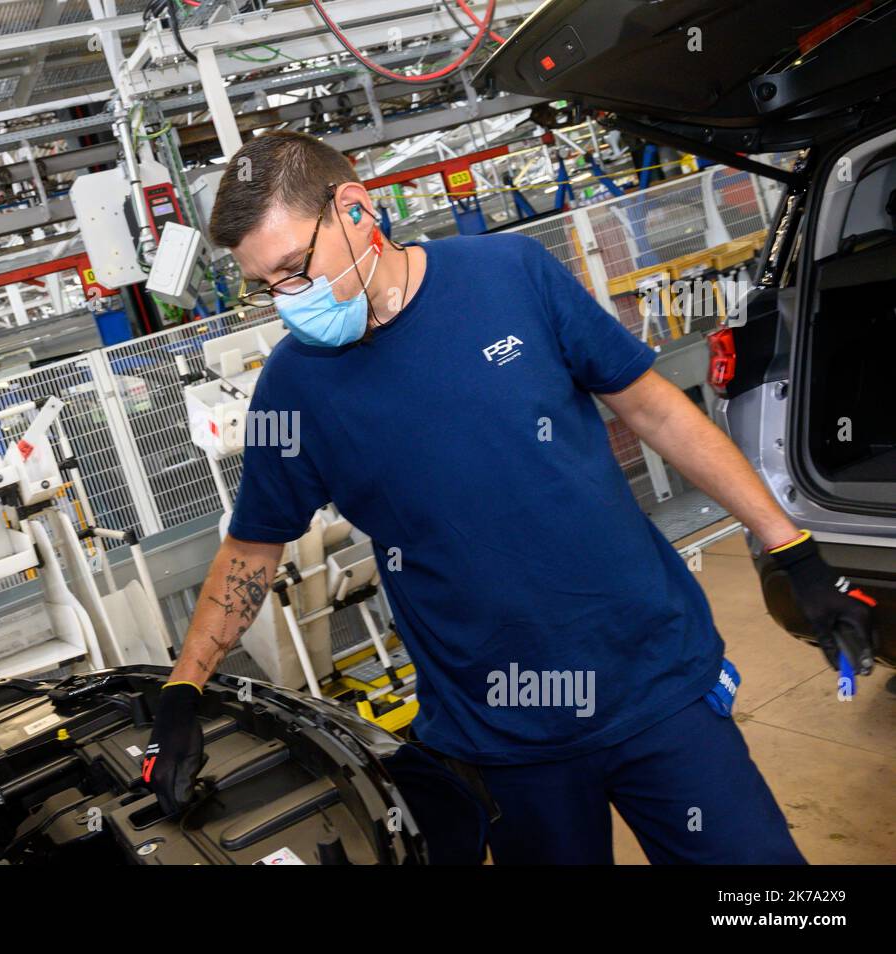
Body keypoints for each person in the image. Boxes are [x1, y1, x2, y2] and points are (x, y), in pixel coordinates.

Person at [142, 131, 875, 864]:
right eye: (267, 286)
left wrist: (792, 547)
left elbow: (653, 408)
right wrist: (186, 686)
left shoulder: (511, 273)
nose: (288, 301)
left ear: (358, 211)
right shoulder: (292, 392)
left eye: (295, 269)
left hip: (652, 685)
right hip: (503, 735)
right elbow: (253, 546)